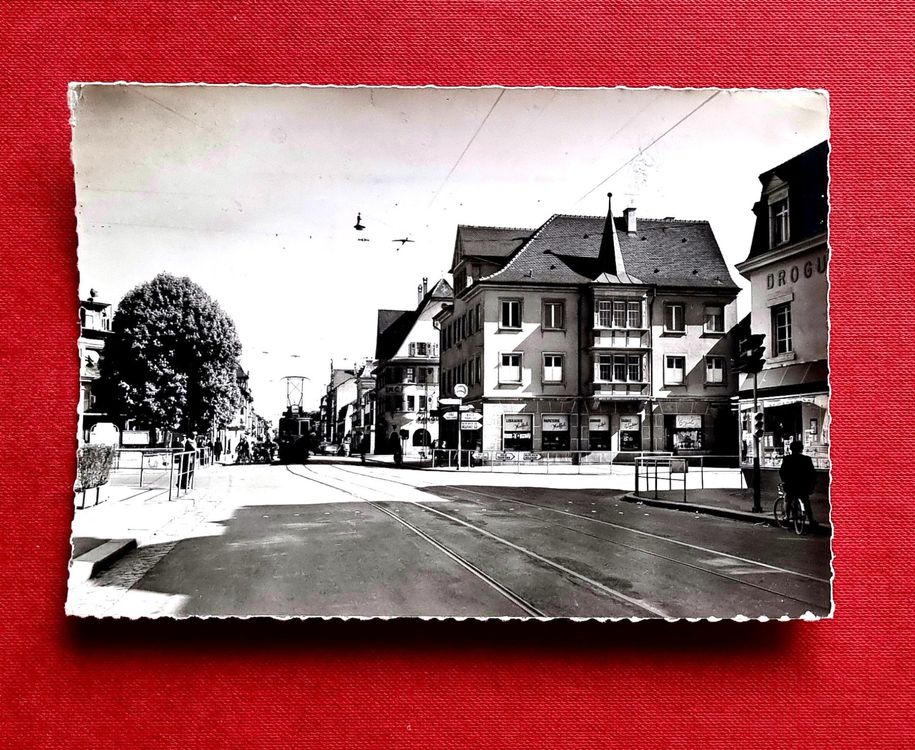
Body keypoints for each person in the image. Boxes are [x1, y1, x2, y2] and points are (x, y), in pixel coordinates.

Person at [779, 440, 818, 526]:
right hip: (803, 486)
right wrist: (811, 485)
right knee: (806, 502)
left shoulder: (787, 459)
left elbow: (782, 472)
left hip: (791, 485)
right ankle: (811, 520)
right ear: (801, 449)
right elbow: (812, 473)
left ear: (791, 449)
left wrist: (784, 481)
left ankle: (787, 517)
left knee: (788, 499)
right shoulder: (807, 459)